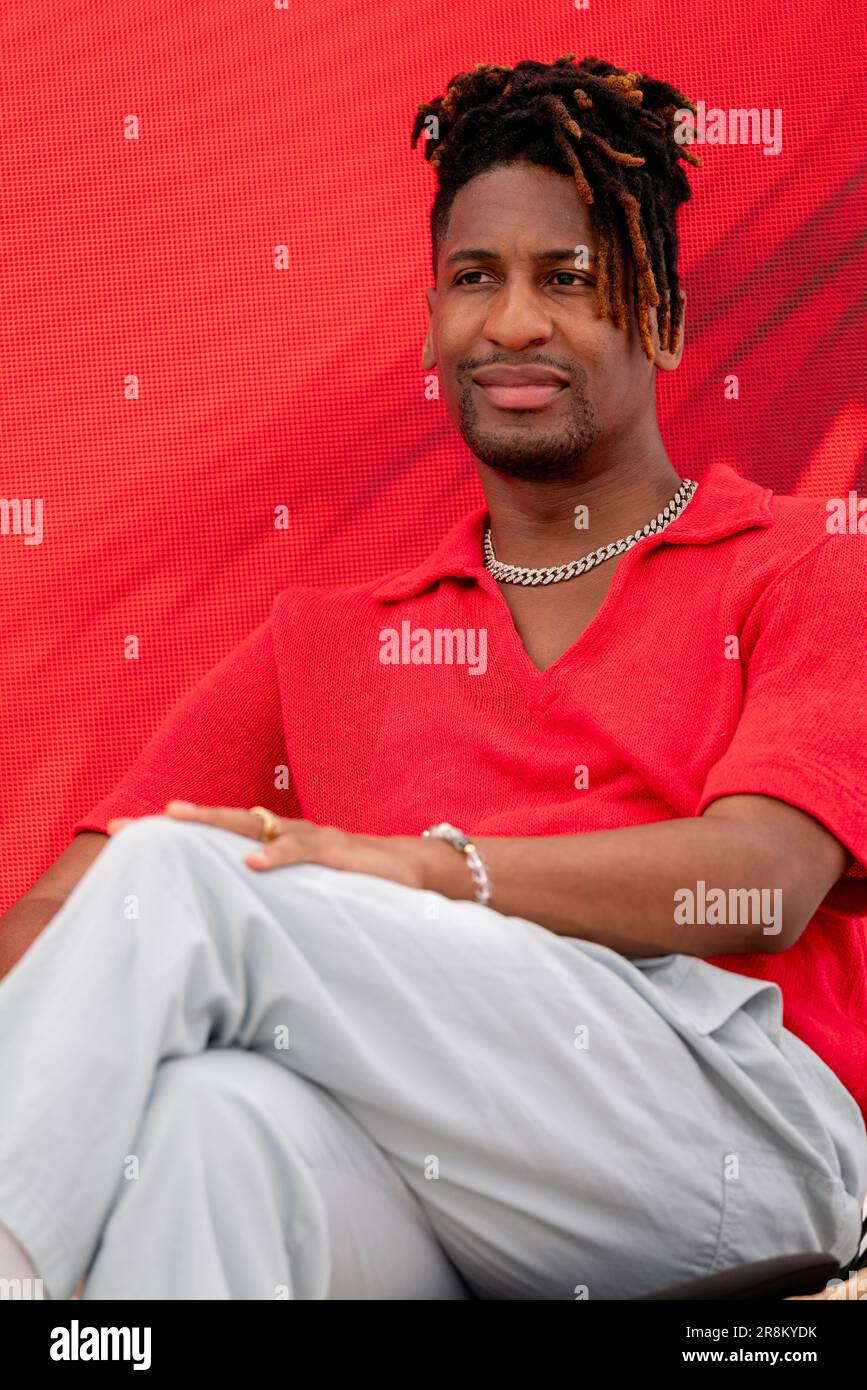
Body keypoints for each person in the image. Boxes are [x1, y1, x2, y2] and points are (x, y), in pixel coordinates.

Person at [1, 54, 865, 1302]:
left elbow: (760, 888)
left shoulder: (799, 565)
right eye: (476, 279)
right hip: (454, 1184)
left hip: (730, 1142)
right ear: (432, 324)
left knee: (190, 875)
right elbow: (59, 919)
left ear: (666, 321)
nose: (513, 322)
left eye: (570, 278)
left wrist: (428, 869)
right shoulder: (336, 637)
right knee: (209, 1124)